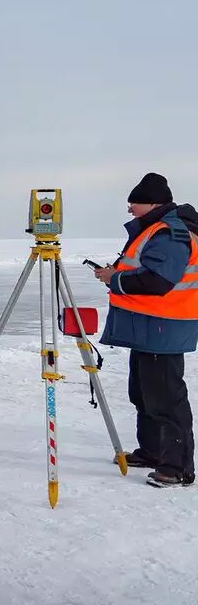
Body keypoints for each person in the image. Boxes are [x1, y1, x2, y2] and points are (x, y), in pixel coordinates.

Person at [94, 172, 198, 488]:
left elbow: (158, 281)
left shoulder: (169, 233)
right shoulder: (155, 229)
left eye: (134, 203)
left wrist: (115, 279)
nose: (129, 210)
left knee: (166, 399)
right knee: (143, 394)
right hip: (150, 328)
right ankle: (152, 451)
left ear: (152, 203)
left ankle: (177, 467)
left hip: (164, 329)